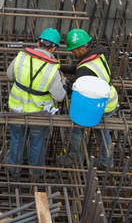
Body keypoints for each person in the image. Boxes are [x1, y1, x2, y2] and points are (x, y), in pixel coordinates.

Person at [6, 28, 66, 167]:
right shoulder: (53, 69)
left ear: (38, 43)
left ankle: (14, 171)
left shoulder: (21, 57)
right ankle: (36, 173)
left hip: (16, 110)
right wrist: (62, 80)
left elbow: (9, 75)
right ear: (53, 48)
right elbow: (59, 96)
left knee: (17, 141)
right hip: (40, 114)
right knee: (37, 144)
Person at [64, 29, 118, 168]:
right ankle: (107, 162)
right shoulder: (97, 54)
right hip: (108, 98)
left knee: (78, 128)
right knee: (102, 130)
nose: (73, 53)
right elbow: (78, 67)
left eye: (74, 50)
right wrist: (61, 67)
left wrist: (62, 82)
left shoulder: (86, 69)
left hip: (99, 105)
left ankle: (73, 157)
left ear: (82, 48)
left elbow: (72, 88)